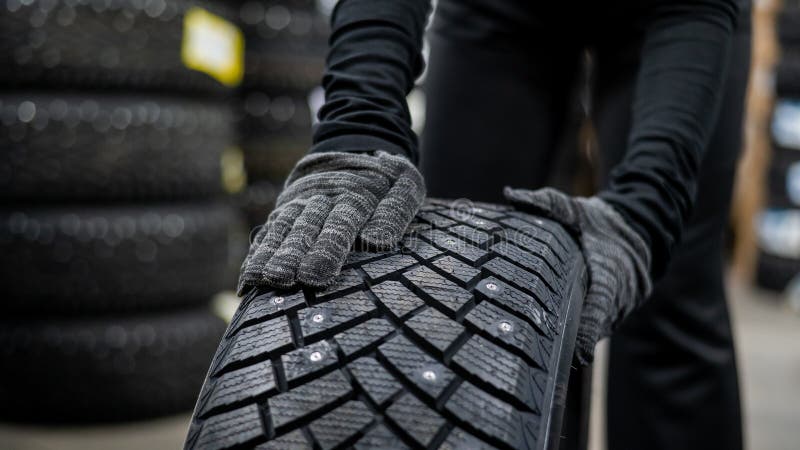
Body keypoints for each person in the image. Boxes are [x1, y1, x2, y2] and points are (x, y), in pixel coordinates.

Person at [238, 1, 750, 448]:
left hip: (678, 14)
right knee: (459, 278)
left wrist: (647, 208)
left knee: (668, 283)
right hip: (503, 11)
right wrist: (357, 128)